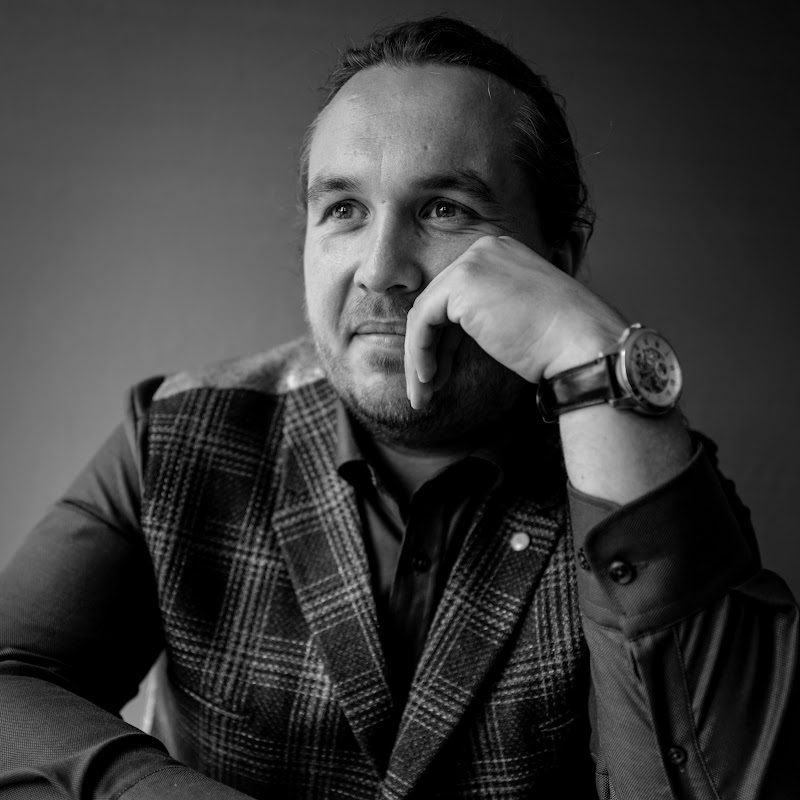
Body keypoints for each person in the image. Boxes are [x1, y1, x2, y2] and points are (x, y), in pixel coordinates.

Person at [0, 15, 796, 800]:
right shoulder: (177, 433)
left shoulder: (646, 480)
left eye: (445, 208)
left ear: (556, 261)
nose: (381, 270)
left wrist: (591, 350)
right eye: (344, 208)